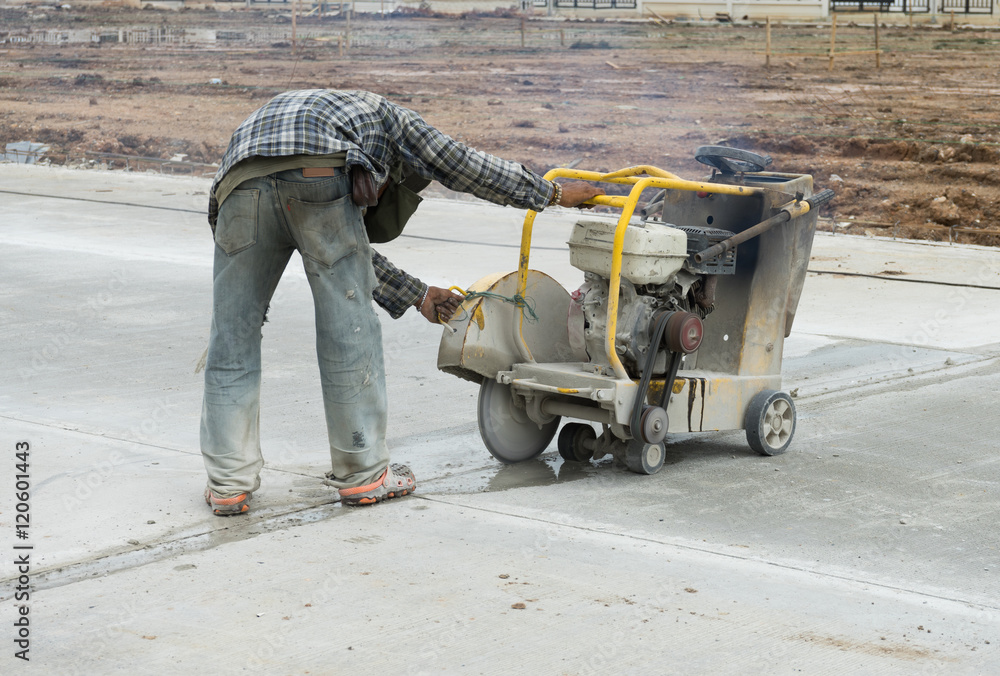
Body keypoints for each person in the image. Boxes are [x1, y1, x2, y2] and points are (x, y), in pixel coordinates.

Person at [201, 89, 604, 515]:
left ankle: (228, 484)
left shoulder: (324, 114)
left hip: (239, 186)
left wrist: (417, 295)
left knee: (232, 337)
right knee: (347, 331)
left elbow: (340, 245)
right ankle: (363, 474)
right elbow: (463, 165)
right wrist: (549, 193)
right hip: (321, 169)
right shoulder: (393, 119)